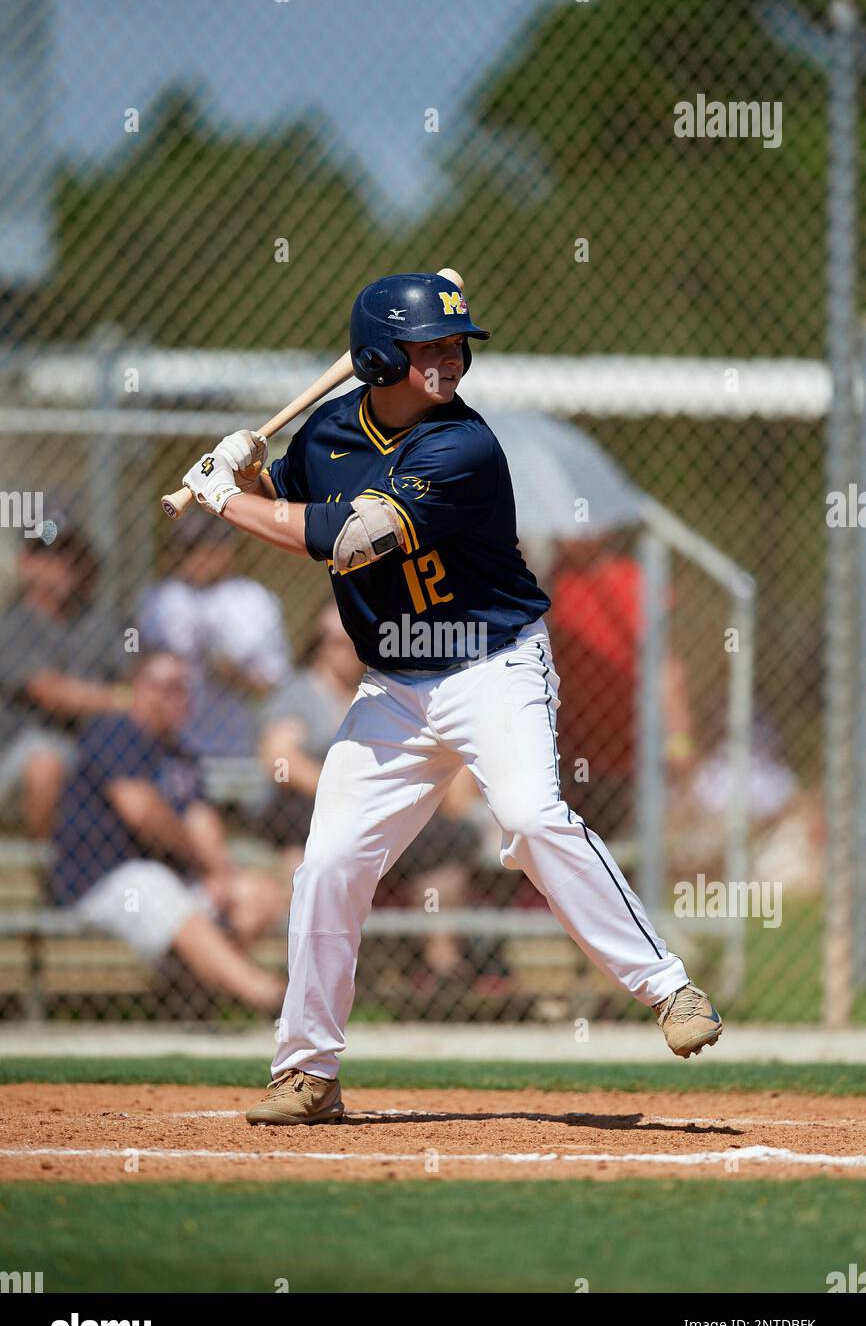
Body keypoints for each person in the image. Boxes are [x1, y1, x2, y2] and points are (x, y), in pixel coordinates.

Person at [178, 271, 723, 1126]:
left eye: (452, 344)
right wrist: (253, 470)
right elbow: (296, 494)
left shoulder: (462, 447)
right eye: (429, 346)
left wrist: (225, 499)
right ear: (378, 356)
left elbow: (347, 540)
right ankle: (307, 1071)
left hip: (491, 666)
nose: (449, 360)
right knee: (327, 865)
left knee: (533, 817)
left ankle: (669, 990)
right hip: (394, 686)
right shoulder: (325, 429)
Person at [258, 599, 482, 987]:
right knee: (304, 857)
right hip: (315, 812)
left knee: (449, 847)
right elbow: (280, 759)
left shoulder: (388, 692)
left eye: (353, 640)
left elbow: (440, 764)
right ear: (318, 644)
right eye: (332, 641)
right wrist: (342, 791)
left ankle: (442, 973)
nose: (343, 651)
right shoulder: (301, 694)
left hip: (383, 813)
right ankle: (310, 974)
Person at [50, 651, 286, 1014]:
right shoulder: (116, 731)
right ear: (137, 689)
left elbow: (200, 819)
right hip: (101, 882)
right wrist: (200, 861)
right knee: (152, 885)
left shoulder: (180, 755)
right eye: (166, 687)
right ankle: (271, 999)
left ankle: (195, 995)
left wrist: (220, 872)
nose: (176, 698)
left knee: (259, 892)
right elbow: (141, 811)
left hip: (170, 880)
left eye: (183, 688)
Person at [549, 531, 697, 838]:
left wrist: (679, 739)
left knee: (614, 853)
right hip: (560, 750)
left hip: (625, 756)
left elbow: (665, 668)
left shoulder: (633, 580)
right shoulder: (547, 582)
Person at [0, 526, 126, 837]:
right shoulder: (12, 625)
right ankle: (48, 864)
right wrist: (120, 699)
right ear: (27, 562)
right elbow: (52, 694)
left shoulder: (100, 624)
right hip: (19, 755)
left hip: (94, 745)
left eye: (70, 556)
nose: (63, 565)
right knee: (45, 762)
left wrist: (121, 698)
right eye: (50, 556)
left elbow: (141, 683)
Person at [138, 512, 292, 757]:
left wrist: (231, 672)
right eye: (188, 549)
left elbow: (274, 683)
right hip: (172, 744)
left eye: (205, 548)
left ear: (226, 550)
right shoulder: (161, 599)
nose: (196, 558)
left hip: (239, 744)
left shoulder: (254, 600)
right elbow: (138, 667)